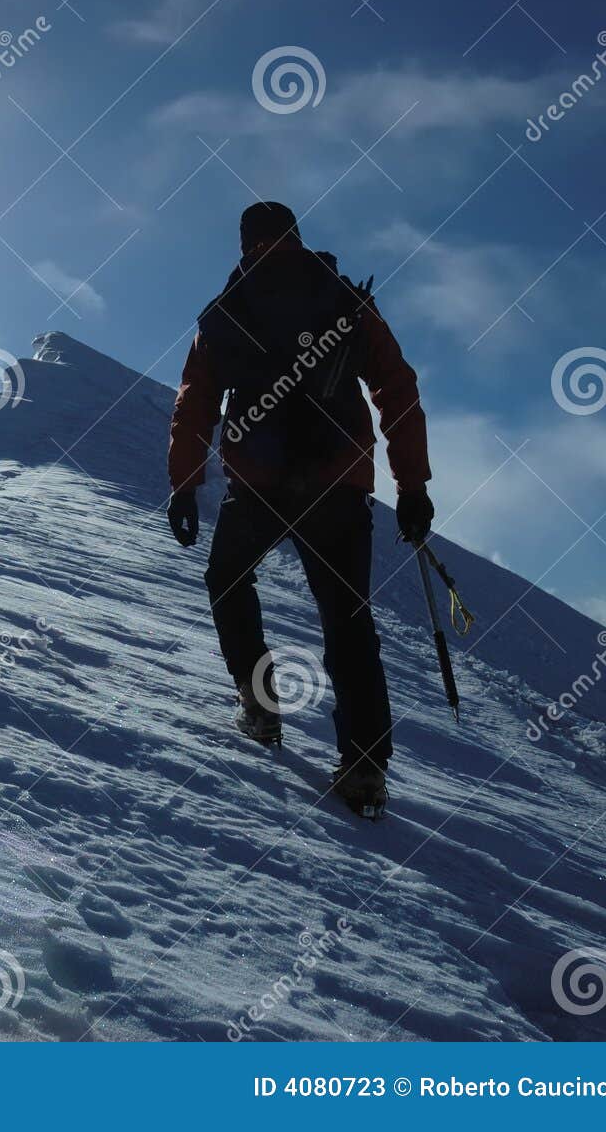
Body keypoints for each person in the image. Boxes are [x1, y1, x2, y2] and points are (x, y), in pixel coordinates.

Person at [165, 201, 433, 817]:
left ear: (245, 243)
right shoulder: (343, 299)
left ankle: (260, 706)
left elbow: (195, 403)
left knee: (228, 579)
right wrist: (412, 486)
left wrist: (183, 485)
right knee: (346, 618)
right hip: (336, 486)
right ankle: (364, 767)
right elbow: (397, 387)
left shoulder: (226, 313)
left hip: (258, 487)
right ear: (295, 236)